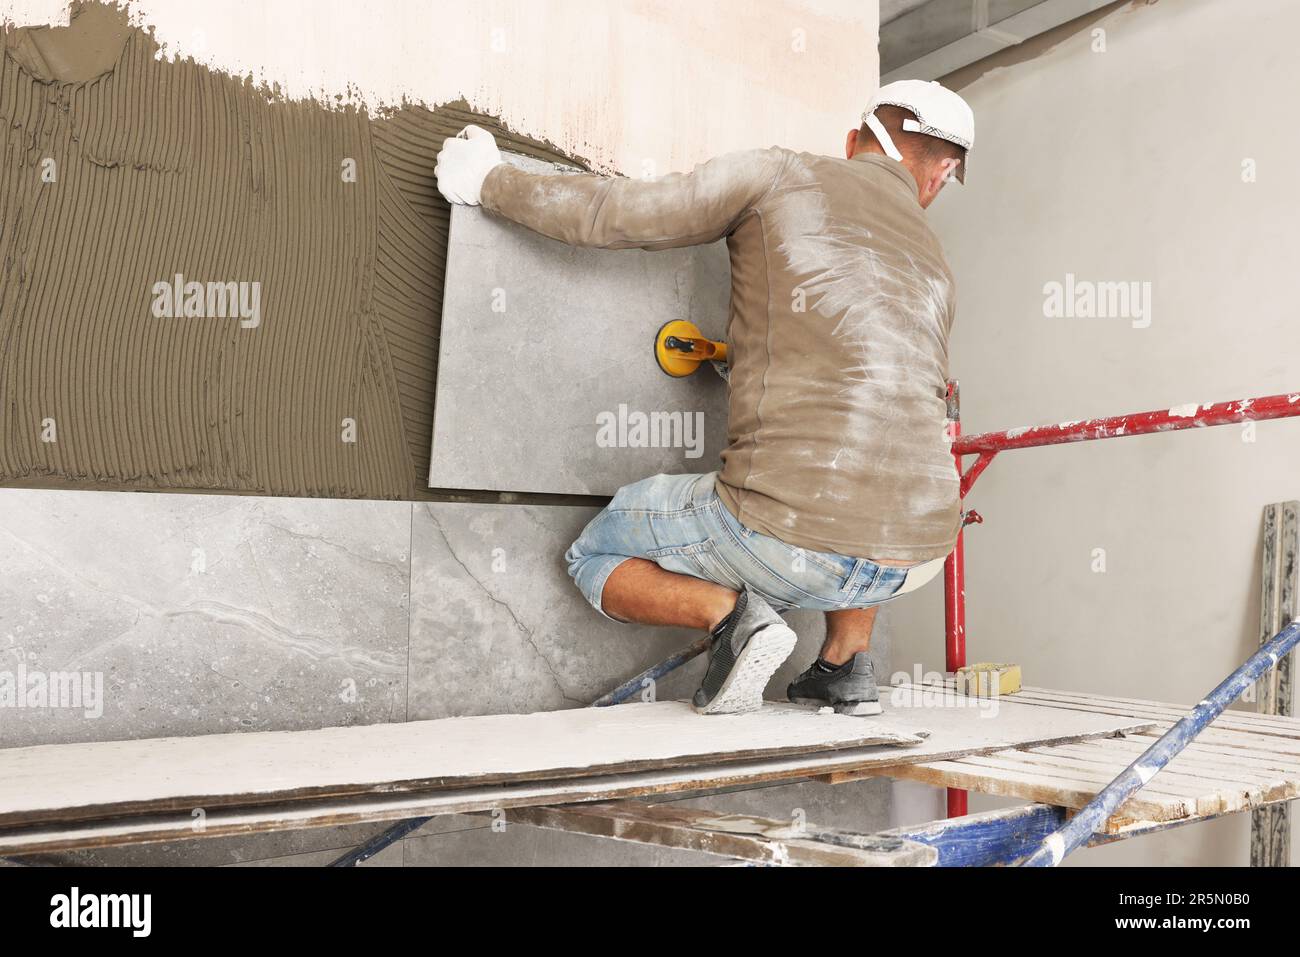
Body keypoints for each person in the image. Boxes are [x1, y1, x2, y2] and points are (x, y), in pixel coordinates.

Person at [435, 80, 974, 716]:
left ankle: (735, 623)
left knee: (596, 550)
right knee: (882, 458)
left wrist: (492, 180)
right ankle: (844, 666)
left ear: (854, 141)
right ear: (942, 173)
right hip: (918, 557)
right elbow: (864, 376)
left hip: (785, 543)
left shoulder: (779, 175)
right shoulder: (936, 262)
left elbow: (620, 212)